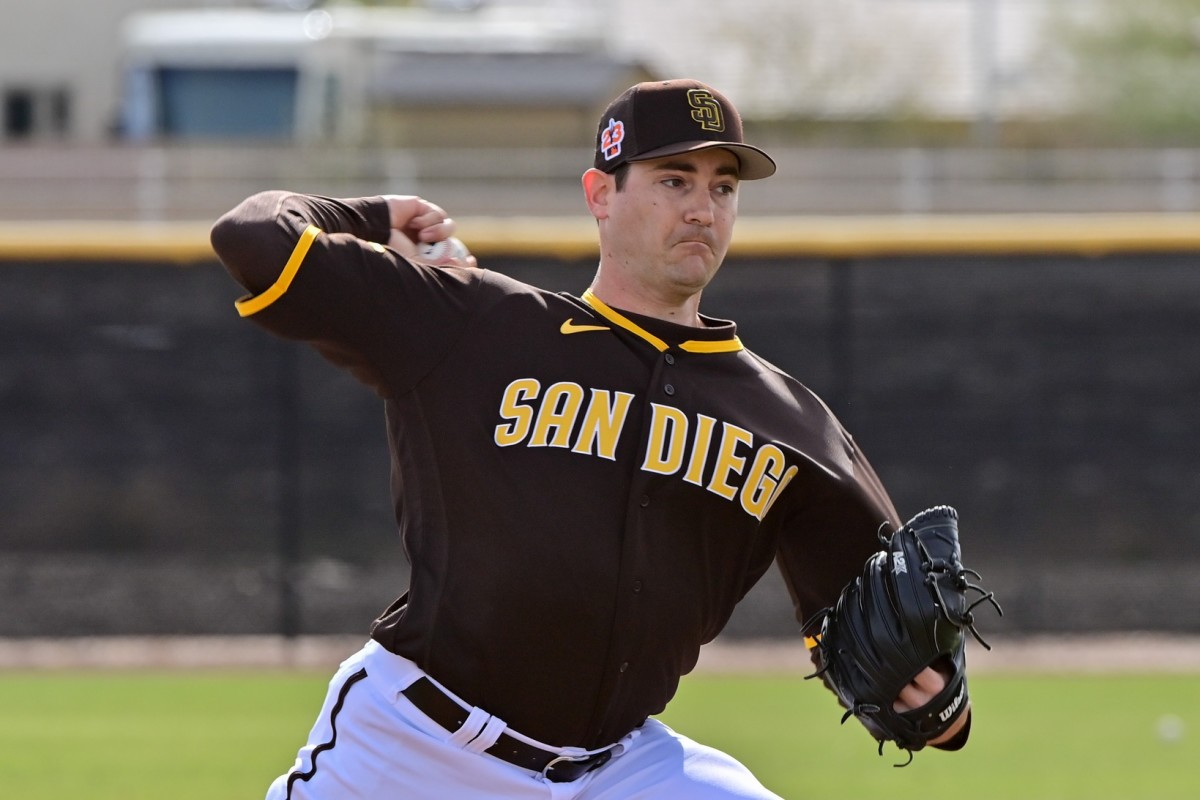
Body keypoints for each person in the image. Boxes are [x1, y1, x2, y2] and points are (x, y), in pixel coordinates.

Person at [210, 79, 971, 800]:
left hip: (617, 769)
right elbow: (250, 237)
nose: (702, 208)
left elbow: (902, 632)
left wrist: (940, 703)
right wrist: (373, 217)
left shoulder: (790, 422)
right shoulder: (474, 325)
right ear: (600, 194)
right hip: (417, 746)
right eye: (674, 180)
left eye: (723, 187)